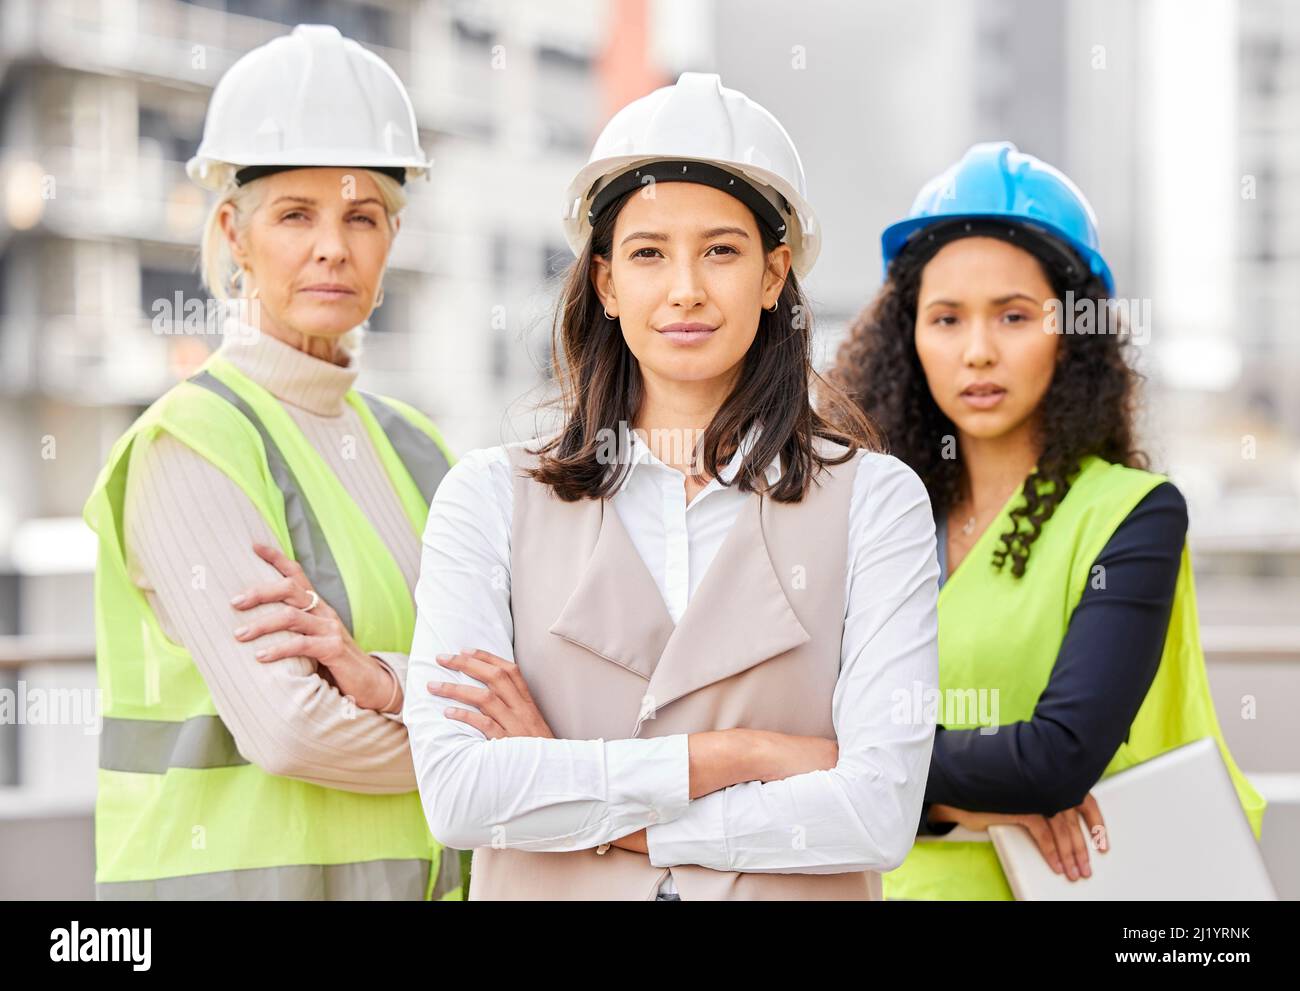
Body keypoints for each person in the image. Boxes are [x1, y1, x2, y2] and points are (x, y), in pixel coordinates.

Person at [402, 72, 941, 900]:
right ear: (608, 282)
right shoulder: (486, 499)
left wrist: (588, 797)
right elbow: (462, 795)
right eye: (649, 252)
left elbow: (876, 811)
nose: (685, 287)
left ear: (773, 275)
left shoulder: (876, 501)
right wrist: (740, 756)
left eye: (721, 250)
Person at [828, 141, 1267, 900]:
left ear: (1073, 333)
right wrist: (946, 790)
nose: (977, 351)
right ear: (910, 338)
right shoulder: (863, 509)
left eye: (1014, 315)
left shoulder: (1133, 516)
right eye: (946, 318)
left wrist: (868, 770)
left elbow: (1055, 759)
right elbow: (785, 716)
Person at [83, 24, 461, 900]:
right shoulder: (192, 443)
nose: (334, 245)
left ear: (391, 241)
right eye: (296, 215)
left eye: (362, 216)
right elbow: (292, 730)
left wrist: (393, 687)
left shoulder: (420, 446)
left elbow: (502, 673)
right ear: (234, 233)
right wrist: (492, 762)